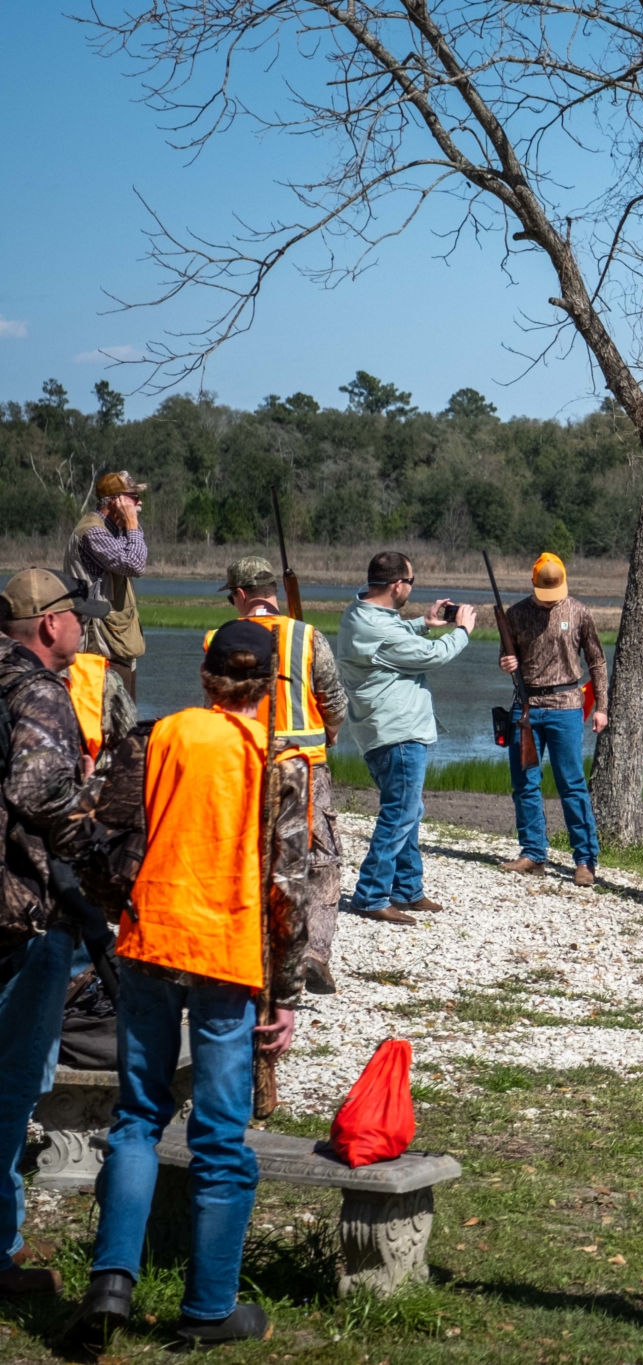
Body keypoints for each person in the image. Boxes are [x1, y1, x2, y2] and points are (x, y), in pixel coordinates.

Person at [69, 621, 304, 1351]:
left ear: (205, 677)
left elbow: (102, 834)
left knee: (139, 1115)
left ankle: (112, 1278)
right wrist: (288, 991)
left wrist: (118, 914)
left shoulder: (154, 735)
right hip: (227, 958)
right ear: (268, 689)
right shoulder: (281, 760)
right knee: (221, 1135)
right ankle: (208, 1307)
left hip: (149, 941)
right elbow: (287, 888)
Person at [0, 570, 115, 1299]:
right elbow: (36, 787)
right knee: (16, 1085)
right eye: (77, 615)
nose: (84, 626)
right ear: (47, 625)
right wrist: (95, 845)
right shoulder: (38, 689)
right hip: (19, 913)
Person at [217, 555, 350, 994]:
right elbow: (334, 700)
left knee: (253, 857)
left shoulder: (219, 638)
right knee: (321, 860)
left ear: (239, 596)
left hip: (245, 766)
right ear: (273, 592)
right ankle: (314, 954)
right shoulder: (307, 636)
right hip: (308, 769)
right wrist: (329, 734)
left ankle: (254, 951)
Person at [336, 551, 476, 925]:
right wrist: (461, 631)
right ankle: (370, 895)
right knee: (399, 813)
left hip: (386, 730)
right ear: (398, 584)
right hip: (396, 733)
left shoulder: (360, 612)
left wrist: (424, 622)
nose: (412, 589)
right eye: (411, 582)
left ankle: (407, 890)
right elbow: (430, 656)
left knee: (409, 811)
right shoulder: (378, 629)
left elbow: (394, 637)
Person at [495, 553, 609, 887]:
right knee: (525, 782)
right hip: (526, 707)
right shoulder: (515, 614)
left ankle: (585, 860)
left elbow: (598, 662)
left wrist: (601, 706)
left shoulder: (578, 612)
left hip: (567, 706)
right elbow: (505, 655)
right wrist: (506, 664)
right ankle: (533, 852)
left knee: (571, 784)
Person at [63, 471, 150, 699]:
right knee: (109, 726)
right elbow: (135, 565)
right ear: (115, 501)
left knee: (127, 723)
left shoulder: (114, 530)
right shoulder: (93, 531)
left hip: (117, 643)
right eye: (133, 496)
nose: (139, 502)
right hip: (101, 647)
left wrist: (130, 525)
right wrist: (132, 523)